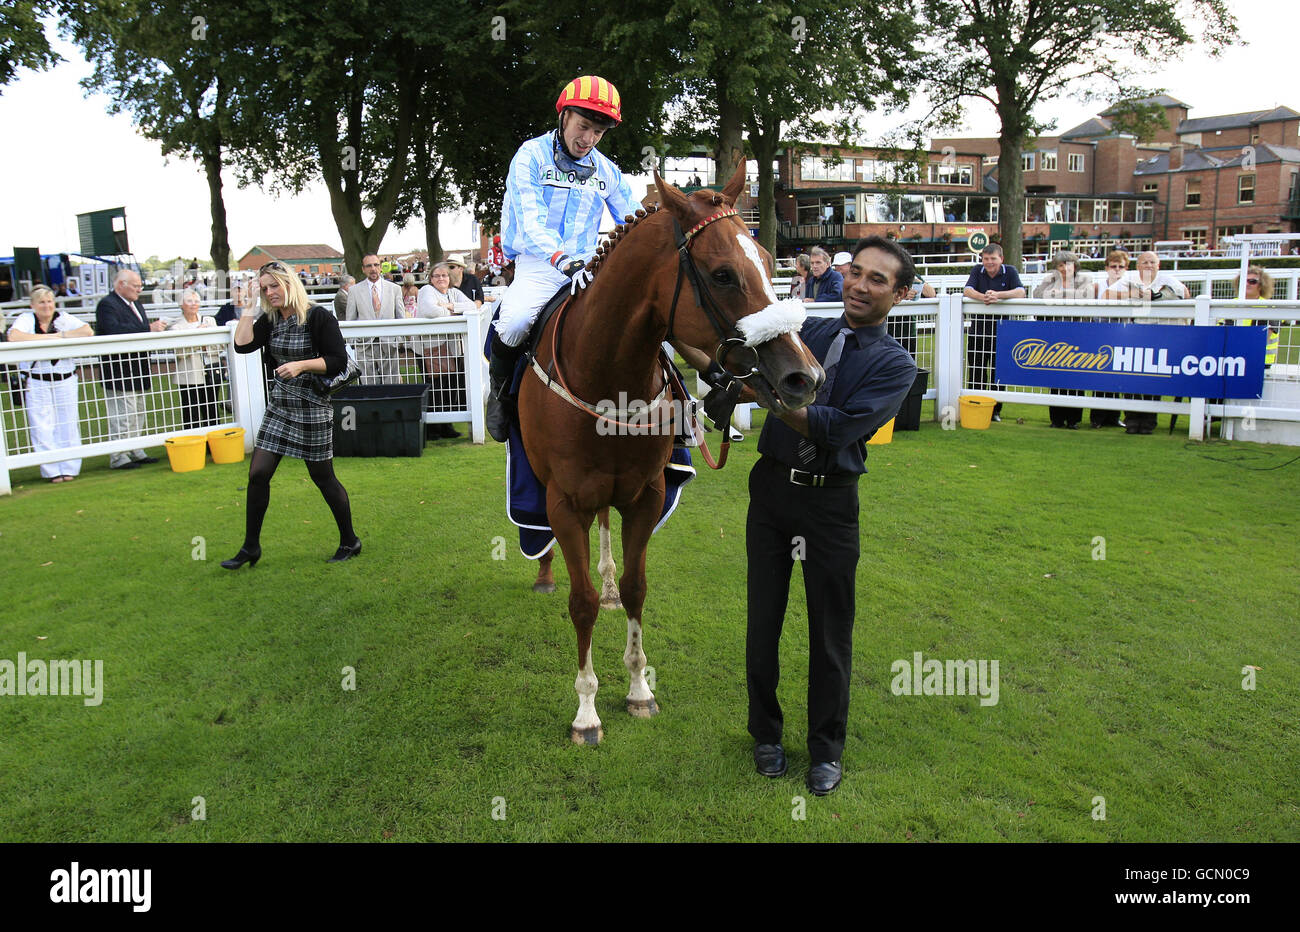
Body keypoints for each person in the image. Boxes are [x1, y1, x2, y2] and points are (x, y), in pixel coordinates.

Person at [746, 235, 917, 797]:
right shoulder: (808, 333)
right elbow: (735, 346)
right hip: (771, 492)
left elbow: (836, 429)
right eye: (856, 272)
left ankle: (826, 750)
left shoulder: (896, 365)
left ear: (901, 294)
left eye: (877, 280)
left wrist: (774, 395)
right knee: (763, 621)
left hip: (830, 503)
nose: (860, 286)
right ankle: (765, 736)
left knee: (830, 632)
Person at [486, 74, 640, 442]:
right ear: (565, 116)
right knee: (517, 319)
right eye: (583, 126)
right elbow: (530, 221)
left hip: (590, 264)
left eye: (598, 133)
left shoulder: (606, 170)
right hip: (541, 263)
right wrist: (563, 260)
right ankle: (501, 394)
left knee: (647, 314)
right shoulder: (530, 155)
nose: (588, 140)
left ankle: (674, 405)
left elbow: (633, 219)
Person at [223, 260, 360, 569]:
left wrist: (301, 365)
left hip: (312, 407)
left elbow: (337, 361)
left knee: (322, 477)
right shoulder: (271, 320)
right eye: (264, 288)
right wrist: (247, 309)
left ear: (289, 284)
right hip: (280, 408)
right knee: (258, 473)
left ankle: (350, 540)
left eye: (275, 286)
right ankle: (250, 547)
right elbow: (243, 346)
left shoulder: (317, 317)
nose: (270, 293)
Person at [6, 285, 92, 481]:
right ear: (33, 305)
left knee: (68, 423)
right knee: (42, 425)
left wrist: (60, 336)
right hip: (37, 381)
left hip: (65, 378)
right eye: (41, 302)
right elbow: (14, 336)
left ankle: (70, 468)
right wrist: (49, 338)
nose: (46, 306)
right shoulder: (27, 319)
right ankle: (52, 470)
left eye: (49, 301)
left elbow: (87, 331)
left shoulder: (63, 318)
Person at [95, 268, 166, 469]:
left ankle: (136, 449)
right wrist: (148, 329)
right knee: (123, 414)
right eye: (135, 286)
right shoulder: (107, 305)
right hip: (119, 370)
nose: (139, 289)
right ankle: (119, 456)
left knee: (138, 412)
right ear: (121, 285)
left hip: (138, 369)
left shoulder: (137, 305)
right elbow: (113, 331)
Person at [1123, 251, 1189, 435]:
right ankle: (1132, 420)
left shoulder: (1169, 281)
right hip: (1134, 335)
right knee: (1131, 378)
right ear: (1138, 266)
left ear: (1158, 265)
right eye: (1145, 262)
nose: (1149, 265)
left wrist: (1155, 296)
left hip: (1159, 337)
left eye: (1152, 262)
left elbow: (1184, 294)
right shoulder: (1129, 281)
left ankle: (1148, 422)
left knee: (1152, 379)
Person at [962, 243, 1025, 422]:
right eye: (986, 259)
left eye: (993, 259)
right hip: (978, 331)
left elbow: (1021, 292)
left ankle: (995, 410)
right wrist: (983, 297)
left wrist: (998, 295)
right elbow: (967, 290)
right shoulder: (977, 270)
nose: (989, 262)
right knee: (976, 370)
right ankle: (975, 404)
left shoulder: (1010, 271)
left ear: (1001, 259)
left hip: (1002, 333)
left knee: (998, 373)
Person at [1032, 250, 1093, 429]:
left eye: (1069, 264)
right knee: (1055, 376)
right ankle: (1056, 419)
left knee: (1076, 377)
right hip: (1054, 334)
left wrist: (1055, 296)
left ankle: (1073, 420)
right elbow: (1037, 295)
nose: (1065, 269)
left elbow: (1085, 297)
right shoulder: (1049, 279)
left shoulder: (1085, 279)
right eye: (1060, 265)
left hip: (1078, 334)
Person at [416, 262, 473, 439]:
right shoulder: (426, 291)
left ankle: (446, 426)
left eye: (444, 275)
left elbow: (472, 306)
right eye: (437, 276)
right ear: (431, 279)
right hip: (431, 347)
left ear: (450, 278)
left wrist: (449, 306)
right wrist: (453, 311)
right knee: (435, 388)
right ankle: (432, 429)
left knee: (450, 385)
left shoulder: (453, 293)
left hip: (451, 348)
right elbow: (429, 311)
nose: (441, 278)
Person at [163, 289, 220, 430]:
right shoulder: (176, 327)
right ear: (181, 304)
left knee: (211, 408)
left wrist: (200, 345)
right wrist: (199, 337)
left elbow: (219, 346)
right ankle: (194, 443)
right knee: (191, 411)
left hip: (210, 371)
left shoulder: (209, 321)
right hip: (188, 375)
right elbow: (180, 352)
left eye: (196, 301)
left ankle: (212, 443)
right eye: (189, 301)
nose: (193, 304)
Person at [344, 253, 405, 381]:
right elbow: (350, 319)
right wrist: (354, 342)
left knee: (392, 384)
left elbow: (401, 317)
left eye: (376, 265)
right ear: (363, 269)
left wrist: (398, 340)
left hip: (389, 343)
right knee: (368, 384)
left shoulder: (395, 289)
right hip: (364, 344)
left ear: (381, 267)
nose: (373, 268)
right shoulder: (354, 291)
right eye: (369, 265)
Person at [1088, 249, 1130, 427]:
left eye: (1121, 266)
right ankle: (1097, 418)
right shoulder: (1098, 286)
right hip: (1101, 334)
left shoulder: (1131, 286)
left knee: (1118, 377)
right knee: (1100, 376)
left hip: (1123, 334)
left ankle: (1114, 417)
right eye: (1114, 266)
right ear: (1107, 268)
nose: (1117, 269)